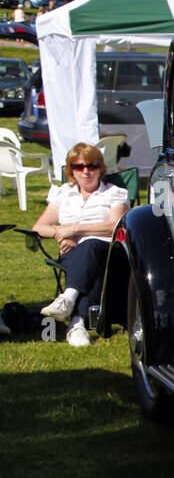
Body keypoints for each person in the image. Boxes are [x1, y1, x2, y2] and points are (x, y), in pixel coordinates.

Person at [32, 143, 127, 347]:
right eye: (78, 166)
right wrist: (62, 234)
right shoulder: (63, 193)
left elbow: (115, 226)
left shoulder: (114, 193)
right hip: (71, 252)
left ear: (101, 168)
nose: (85, 171)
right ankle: (76, 322)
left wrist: (74, 230)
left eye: (91, 166)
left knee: (91, 245)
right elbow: (40, 227)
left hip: (105, 252)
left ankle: (68, 300)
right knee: (87, 261)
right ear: (71, 170)